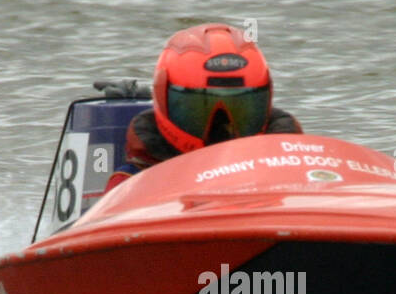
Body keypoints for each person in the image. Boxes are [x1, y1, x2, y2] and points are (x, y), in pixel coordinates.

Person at [104, 24, 302, 192]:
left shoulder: (292, 165)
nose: (222, 130)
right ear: (165, 100)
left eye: (241, 110)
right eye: (199, 111)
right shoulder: (132, 184)